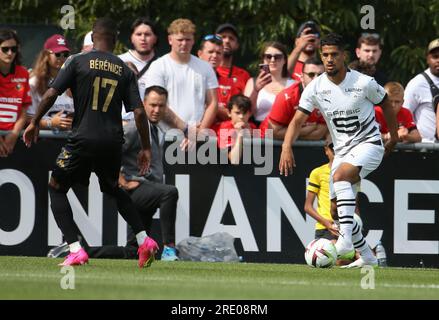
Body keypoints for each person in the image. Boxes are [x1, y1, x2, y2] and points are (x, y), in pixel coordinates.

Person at [23, 17, 159, 268]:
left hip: (83, 138)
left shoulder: (76, 60)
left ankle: (75, 249)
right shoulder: (124, 69)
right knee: (113, 189)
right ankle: (145, 240)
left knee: (56, 187)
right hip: (112, 141)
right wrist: (146, 148)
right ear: (115, 40)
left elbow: (52, 93)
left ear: (92, 37)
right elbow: (139, 113)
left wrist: (35, 122)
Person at [279, 33, 398, 268]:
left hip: (370, 145)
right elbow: (296, 121)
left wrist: (393, 136)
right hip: (343, 152)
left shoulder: (363, 83)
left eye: (334, 54)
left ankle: (345, 242)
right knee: (335, 211)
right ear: (321, 57)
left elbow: (385, 102)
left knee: (340, 175)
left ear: (343, 55)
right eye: (325, 55)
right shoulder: (315, 88)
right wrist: (286, 147)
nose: (330, 59)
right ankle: (368, 256)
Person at [145, 18, 218, 130]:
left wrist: (199, 132)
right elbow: (156, 104)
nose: (184, 43)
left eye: (188, 39)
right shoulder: (158, 66)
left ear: (193, 41)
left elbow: (213, 102)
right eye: (180, 39)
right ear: (170, 39)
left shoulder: (205, 67)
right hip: (166, 134)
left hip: (197, 134)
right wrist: (186, 130)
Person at [259, 57, 327, 140]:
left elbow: (318, 134)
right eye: (311, 75)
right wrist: (304, 131)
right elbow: (274, 133)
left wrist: (294, 134)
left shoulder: (328, 97)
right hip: (265, 143)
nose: (316, 79)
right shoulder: (286, 97)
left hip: (297, 144)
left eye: (320, 75)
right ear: (302, 77)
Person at [27, 34, 74, 132]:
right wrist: (51, 123)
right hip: (44, 140)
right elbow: (27, 119)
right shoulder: (34, 83)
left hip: (69, 140)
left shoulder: (74, 81)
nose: (61, 58)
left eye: (65, 54)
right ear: (46, 55)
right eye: (57, 54)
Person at [244, 41, 294, 125]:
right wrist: (256, 90)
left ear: (285, 60)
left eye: (278, 57)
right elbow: (244, 112)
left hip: (285, 130)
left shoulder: (294, 84)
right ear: (263, 59)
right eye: (268, 56)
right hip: (259, 130)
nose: (273, 60)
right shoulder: (252, 82)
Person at [0, 29, 31, 157]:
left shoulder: (23, 73)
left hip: (12, 138)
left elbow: (24, 109)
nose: (10, 53)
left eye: (13, 49)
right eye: (5, 49)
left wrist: (14, 134)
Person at [404, 38, 439, 143]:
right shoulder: (417, 83)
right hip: (425, 149)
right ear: (427, 59)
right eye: (435, 57)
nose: (438, 60)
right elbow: (404, 115)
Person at [119, 17, 159, 100]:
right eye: (138, 34)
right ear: (132, 38)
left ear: (155, 38)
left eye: (147, 34)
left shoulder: (162, 64)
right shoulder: (119, 61)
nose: (143, 38)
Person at [215, 23, 250, 108]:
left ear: (237, 45)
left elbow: (246, 108)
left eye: (231, 38)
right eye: (223, 37)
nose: (227, 41)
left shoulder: (244, 75)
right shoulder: (206, 70)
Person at [197, 34, 231, 124]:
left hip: (219, 135)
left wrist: (212, 106)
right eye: (210, 52)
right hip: (191, 133)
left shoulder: (228, 82)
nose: (215, 56)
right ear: (199, 54)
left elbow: (233, 115)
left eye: (219, 53)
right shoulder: (190, 79)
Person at [216, 94, 257, 164]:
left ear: (249, 113)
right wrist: (240, 134)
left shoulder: (253, 128)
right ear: (229, 113)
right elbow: (234, 160)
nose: (241, 116)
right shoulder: (224, 128)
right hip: (226, 171)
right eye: (237, 113)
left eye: (245, 113)